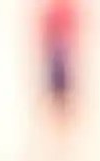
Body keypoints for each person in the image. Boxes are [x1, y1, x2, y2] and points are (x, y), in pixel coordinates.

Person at [39, 0, 80, 128]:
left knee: (61, 86)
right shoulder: (57, 8)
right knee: (59, 86)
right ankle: (60, 115)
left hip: (62, 51)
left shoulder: (59, 7)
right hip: (59, 51)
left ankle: (61, 115)